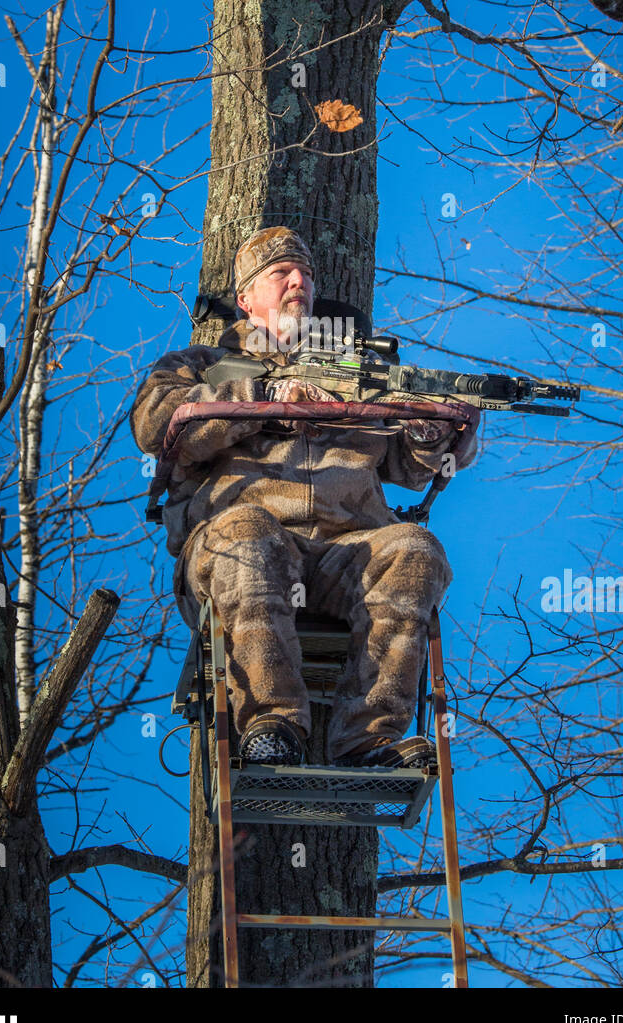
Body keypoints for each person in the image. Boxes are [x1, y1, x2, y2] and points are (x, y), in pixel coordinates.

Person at [130, 227, 479, 768]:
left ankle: (370, 742)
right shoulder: (198, 364)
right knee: (249, 534)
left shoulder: (356, 373)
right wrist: (264, 397)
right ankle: (271, 728)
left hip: (347, 554)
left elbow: (407, 470)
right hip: (241, 550)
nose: (300, 283)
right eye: (282, 274)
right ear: (245, 298)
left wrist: (429, 434)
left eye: (307, 275)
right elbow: (157, 423)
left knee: (414, 549)